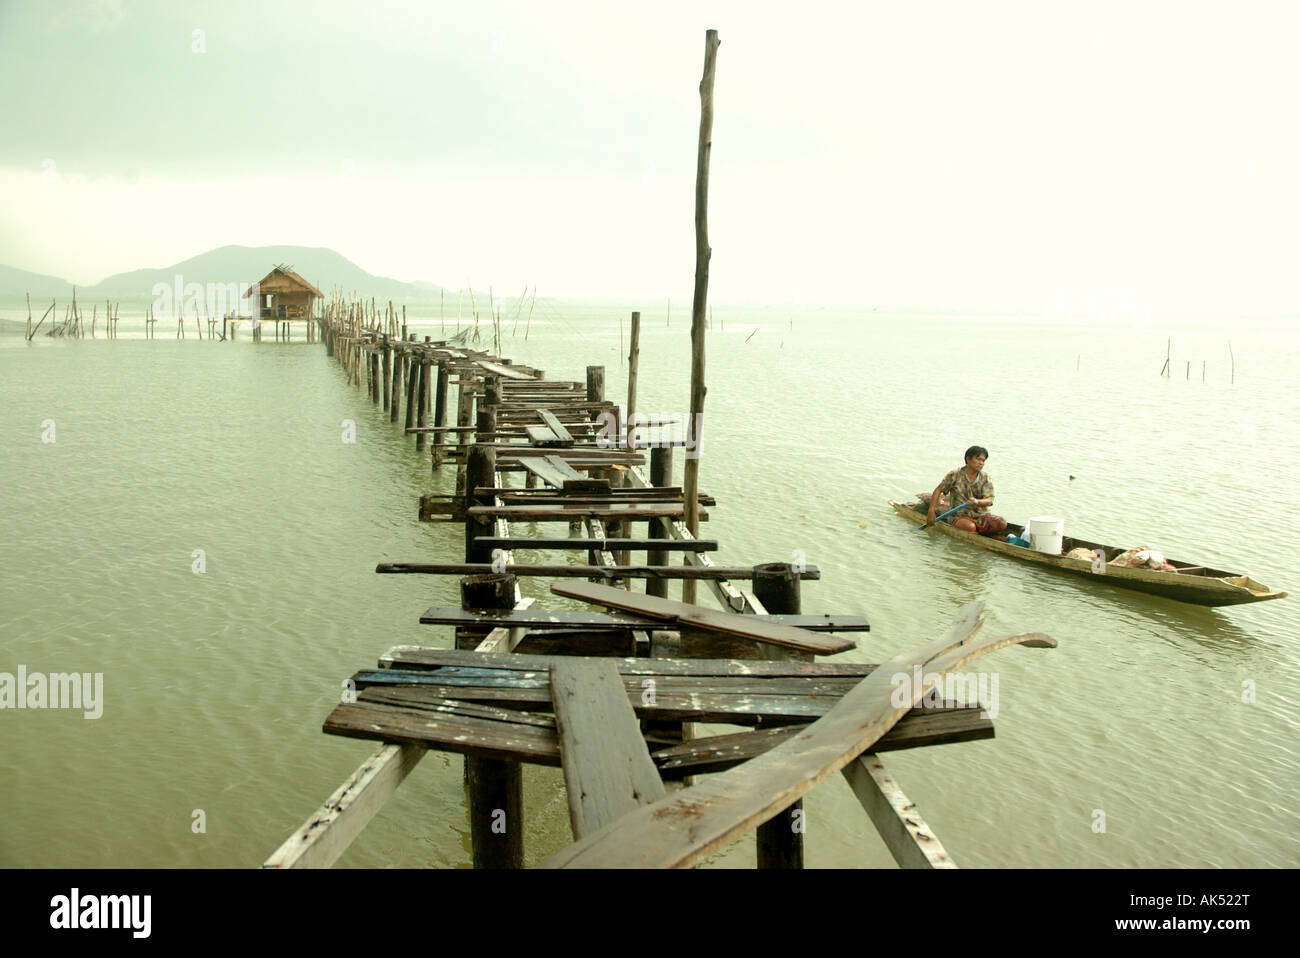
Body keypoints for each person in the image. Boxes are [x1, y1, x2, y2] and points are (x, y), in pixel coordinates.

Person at [925, 445, 1008, 535]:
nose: (981, 463)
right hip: (960, 516)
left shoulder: (985, 478)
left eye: (983, 461)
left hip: (981, 516)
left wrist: (977, 502)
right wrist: (931, 510)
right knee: (970, 527)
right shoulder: (955, 474)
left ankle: (982, 532)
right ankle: (979, 533)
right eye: (978, 459)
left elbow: (989, 500)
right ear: (968, 459)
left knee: (1002, 523)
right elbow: (938, 490)